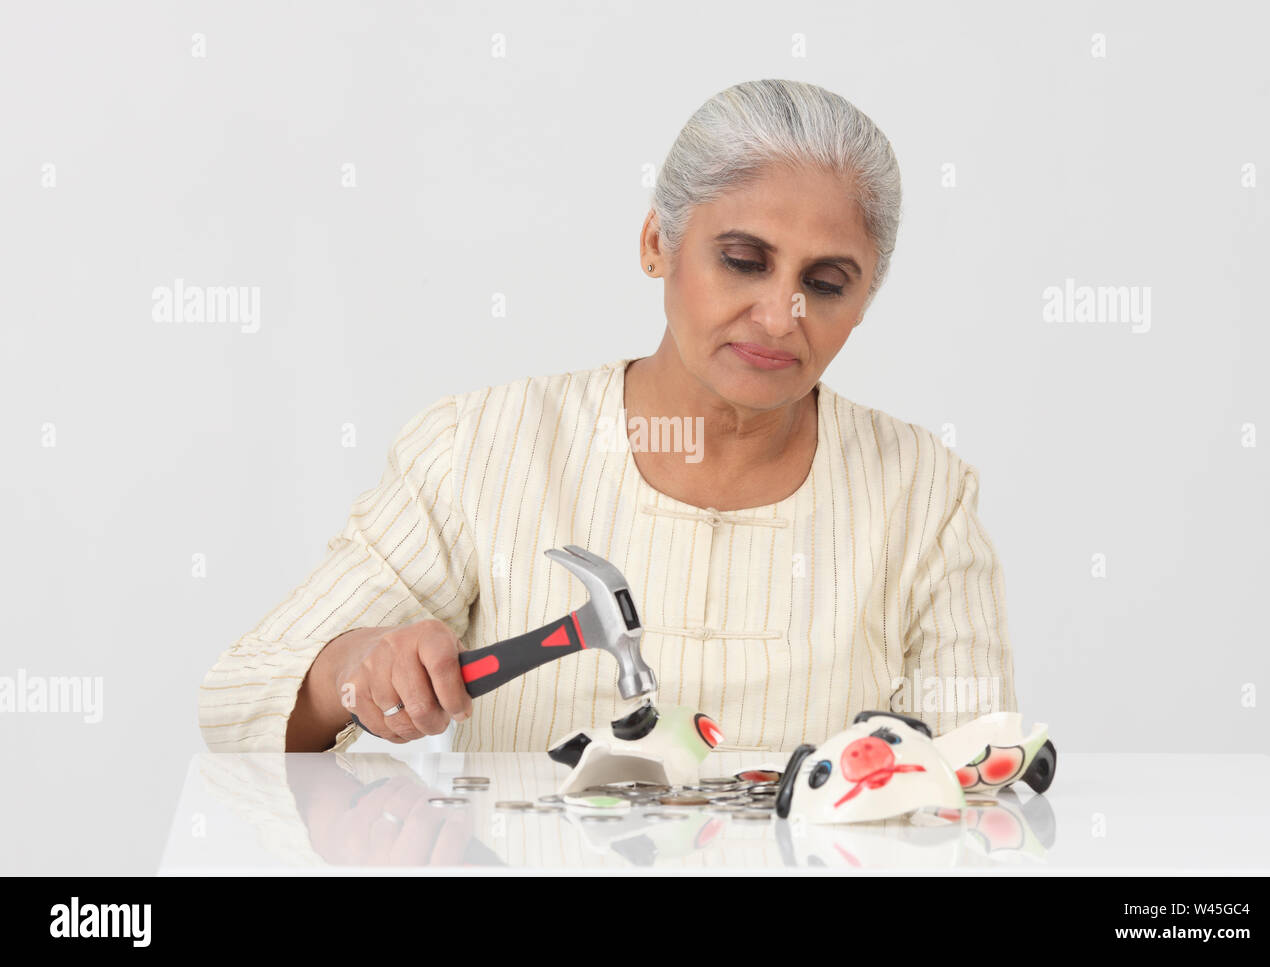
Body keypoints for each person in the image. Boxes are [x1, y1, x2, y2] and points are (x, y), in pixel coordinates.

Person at [198, 78, 1017, 755]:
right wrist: (351, 669)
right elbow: (239, 700)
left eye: (827, 281)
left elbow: (983, 774)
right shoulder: (484, 449)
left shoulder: (924, 494)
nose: (779, 314)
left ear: (864, 300)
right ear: (656, 243)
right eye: (742, 260)